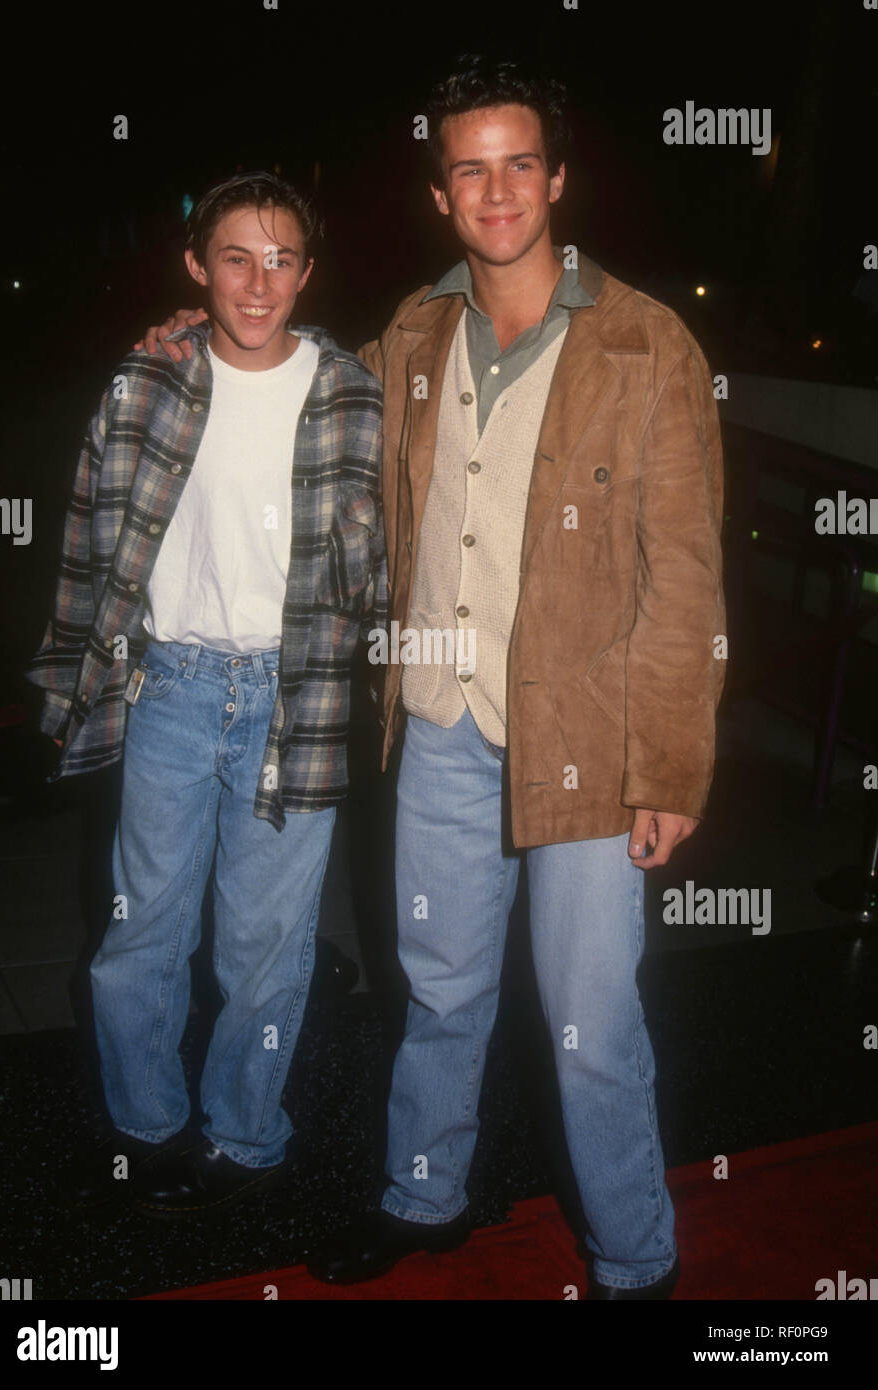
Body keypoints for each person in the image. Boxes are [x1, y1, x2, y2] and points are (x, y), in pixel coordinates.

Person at [141, 55, 726, 1296]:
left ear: (556, 178)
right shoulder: (410, 334)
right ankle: (424, 1192)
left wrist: (669, 763)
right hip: (439, 724)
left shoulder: (646, 343)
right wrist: (194, 336)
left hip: (587, 739)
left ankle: (633, 1262)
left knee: (592, 1030)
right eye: (471, 168)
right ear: (440, 191)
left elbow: (683, 575)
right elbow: (281, 376)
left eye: (520, 164)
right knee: (438, 987)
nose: (497, 190)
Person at [26, 171, 385, 1218]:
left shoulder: (352, 392)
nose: (258, 280)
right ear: (196, 267)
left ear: (308, 272)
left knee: (264, 950)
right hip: (170, 689)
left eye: (281, 258)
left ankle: (243, 1134)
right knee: (142, 934)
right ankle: (144, 1126)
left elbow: (380, 562)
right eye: (235, 256)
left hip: (295, 698)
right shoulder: (148, 379)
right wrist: (73, 679)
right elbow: (88, 542)